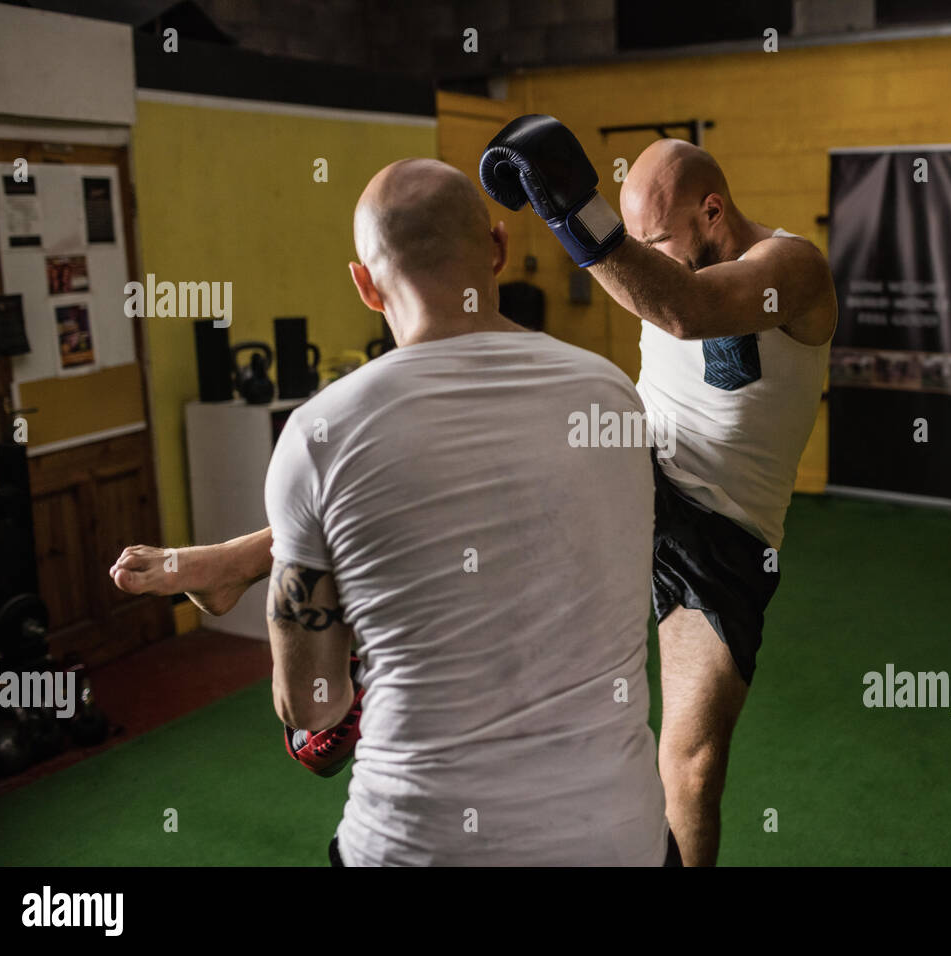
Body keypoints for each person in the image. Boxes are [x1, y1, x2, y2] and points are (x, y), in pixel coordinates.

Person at [115, 158, 672, 866]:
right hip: (619, 840)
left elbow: (312, 714)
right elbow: (505, 498)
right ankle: (235, 562)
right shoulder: (611, 396)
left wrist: (363, 641)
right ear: (497, 248)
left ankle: (234, 564)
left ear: (365, 286)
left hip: (415, 845)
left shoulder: (321, 433)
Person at [480, 116, 837, 865]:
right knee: (507, 428)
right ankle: (266, 562)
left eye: (658, 242)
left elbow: (687, 310)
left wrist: (573, 216)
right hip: (638, 468)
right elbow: (658, 287)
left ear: (713, 211)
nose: (645, 264)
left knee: (693, 767)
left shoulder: (795, 269)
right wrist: (588, 227)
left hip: (727, 536)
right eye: (635, 246)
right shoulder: (655, 260)